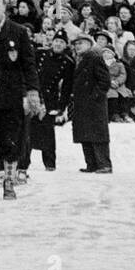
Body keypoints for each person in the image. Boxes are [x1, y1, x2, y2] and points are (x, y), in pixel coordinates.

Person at [0, 0, 40, 200]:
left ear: (5, 8)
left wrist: (32, 92)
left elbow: (29, 65)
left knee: (12, 137)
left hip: (12, 92)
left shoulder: (18, 32)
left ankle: (9, 182)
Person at [71, 32, 113, 174]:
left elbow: (105, 81)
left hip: (94, 104)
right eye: (75, 44)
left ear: (89, 44)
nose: (77, 46)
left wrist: (95, 95)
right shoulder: (80, 59)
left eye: (80, 43)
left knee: (97, 135)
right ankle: (92, 164)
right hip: (83, 103)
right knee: (85, 133)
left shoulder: (94, 58)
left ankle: (104, 164)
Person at [32, 33, 73, 172]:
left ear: (65, 45)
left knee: (48, 133)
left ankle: (50, 164)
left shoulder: (68, 62)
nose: (58, 44)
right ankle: (22, 164)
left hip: (50, 100)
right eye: (56, 41)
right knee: (28, 130)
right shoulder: (39, 54)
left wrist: (61, 107)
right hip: (34, 95)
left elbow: (67, 88)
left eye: (61, 42)